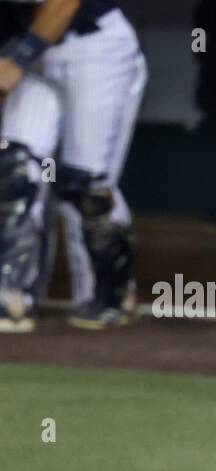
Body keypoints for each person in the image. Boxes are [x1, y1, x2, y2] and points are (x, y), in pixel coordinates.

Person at [0, 0, 146, 332]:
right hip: (28, 51)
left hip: (94, 49)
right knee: (16, 167)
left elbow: (63, 4)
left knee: (85, 183)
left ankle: (111, 293)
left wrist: (17, 62)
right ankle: (12, 295)